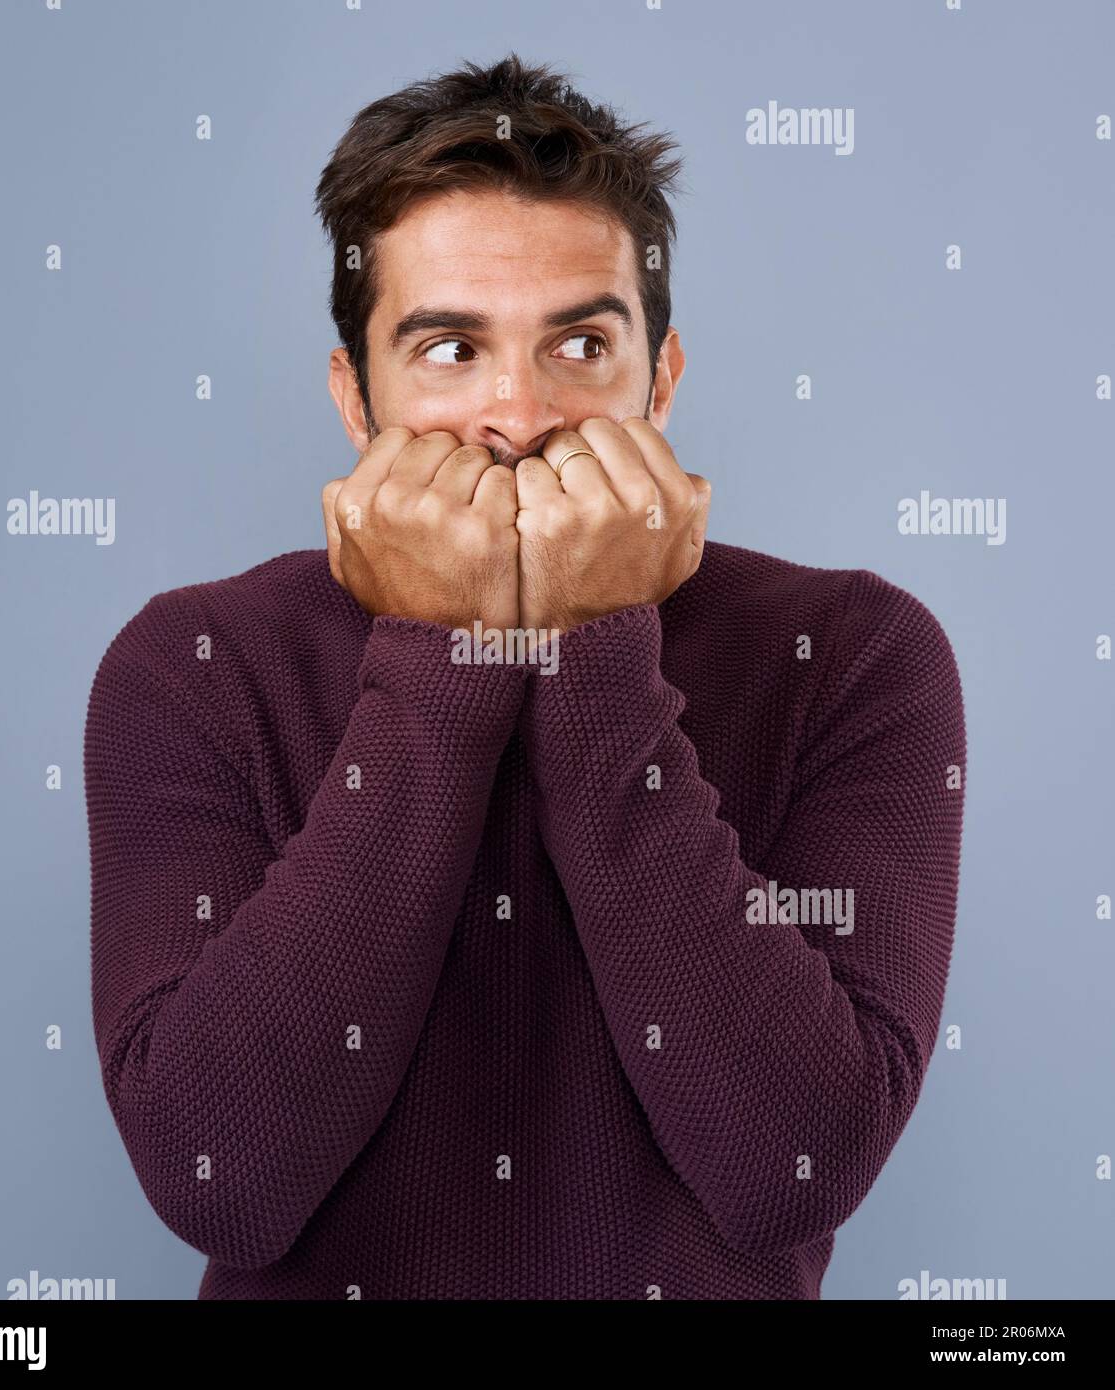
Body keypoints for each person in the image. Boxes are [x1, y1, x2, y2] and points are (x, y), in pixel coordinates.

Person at [83, 54, 965, 1300]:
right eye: (447, 348)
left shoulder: (856, 655)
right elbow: (220, 1175)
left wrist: (593, 642)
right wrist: (445, 655)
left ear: (658, 379)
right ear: (354, 398)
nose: (517, 413)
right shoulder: (193, 666)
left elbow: (793, 1166)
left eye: (580, 345)